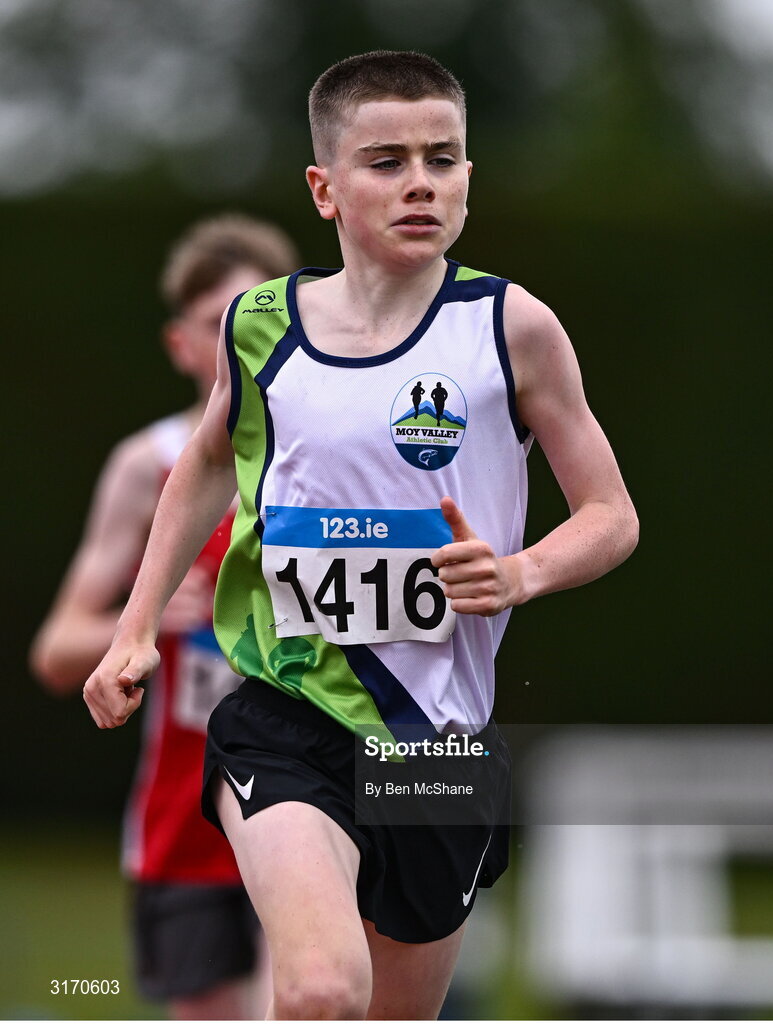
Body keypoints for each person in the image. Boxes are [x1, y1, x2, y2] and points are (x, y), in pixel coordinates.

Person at [82, 51, 639, 1020]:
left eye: (442, 158)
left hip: (435, 740)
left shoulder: (511, 329)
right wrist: (134, 628)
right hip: (285, 710)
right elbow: (206, 462)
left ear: (468, 177)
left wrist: (519, 573)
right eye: (386, 161)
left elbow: (611, 514)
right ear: (325, 188)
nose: (421, 182)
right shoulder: (260, 326)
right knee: (321, 990)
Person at [30, 214, 299, 1020]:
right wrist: (145, 620)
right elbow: (56, 651)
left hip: (320, 785)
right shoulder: (146, 468)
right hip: (189, 815)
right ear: (182, 345)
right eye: (219, 324)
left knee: (311, 999)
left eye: (259, 315)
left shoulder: (337, 455)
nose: (241, 341)